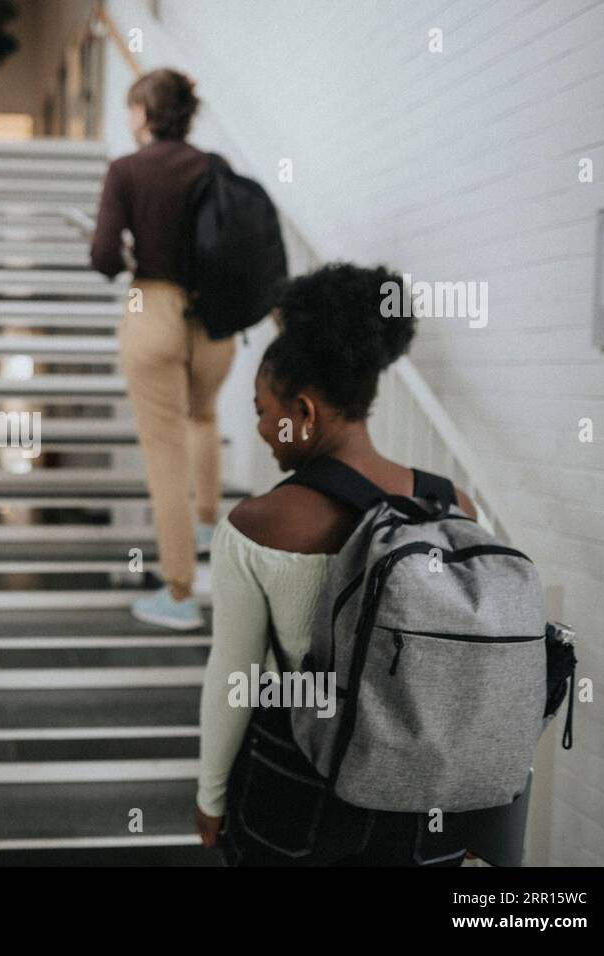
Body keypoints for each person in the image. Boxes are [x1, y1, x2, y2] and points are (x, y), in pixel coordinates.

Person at [194, 262, 478, 865]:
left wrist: (210, 796)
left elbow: (233, 675)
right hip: (428, 807)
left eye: (263, 410)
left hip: (301, 796)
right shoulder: (451, 504)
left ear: (304, 410)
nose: (264, 430)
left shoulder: (258, 524)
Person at [91, 68, 236, 632]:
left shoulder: (126, 170)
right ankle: (204, 522)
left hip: (152, 310)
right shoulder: (214, 167)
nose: (128, 120)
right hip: (215, 319)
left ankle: (179, 593)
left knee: (164, 451)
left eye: (132, 110)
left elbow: (104, 256)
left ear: (146, 114)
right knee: (203, 417)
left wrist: (125, 248)